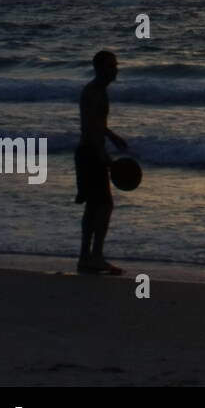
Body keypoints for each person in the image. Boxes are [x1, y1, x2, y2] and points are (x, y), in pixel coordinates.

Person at [75, 50, 127, 274]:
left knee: (93, 206)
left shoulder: (99, 91)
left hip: (90, 151)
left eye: (115, 65)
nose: (115, 70)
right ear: (99, 69)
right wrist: (101, 155)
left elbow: (96, 122)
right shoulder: (92, 93)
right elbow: (88, 128)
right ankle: (94, 256)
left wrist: (111, 135)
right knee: (104, 206)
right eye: (111, 66)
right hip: (90, 153)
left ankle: (86, 257)